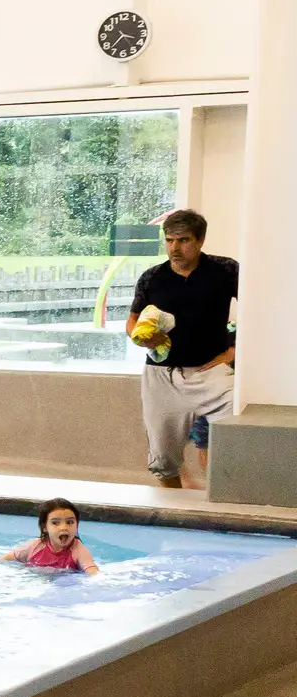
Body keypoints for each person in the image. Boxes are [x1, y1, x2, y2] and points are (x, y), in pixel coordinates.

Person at [127, 209, 238, 489]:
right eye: (169, 240)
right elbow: (132, 321)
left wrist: (234, 351)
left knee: (240, 433)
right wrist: (140, 337)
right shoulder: (152, 277)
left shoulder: (225, 270)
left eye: (183, 240)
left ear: (200, 241)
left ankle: (224, 508)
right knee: (163, 461)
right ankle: (175, 516)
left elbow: (261, 307)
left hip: (211, 372)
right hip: (161, 375)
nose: (175, 248)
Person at [1, 498, 99, 573]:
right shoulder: (34, 546)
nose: (64, 527)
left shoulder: (78, 551)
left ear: (77, 525)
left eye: (70, 522)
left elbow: (93, 572)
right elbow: (4, 560)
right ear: (45, 528)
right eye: (55, 523)